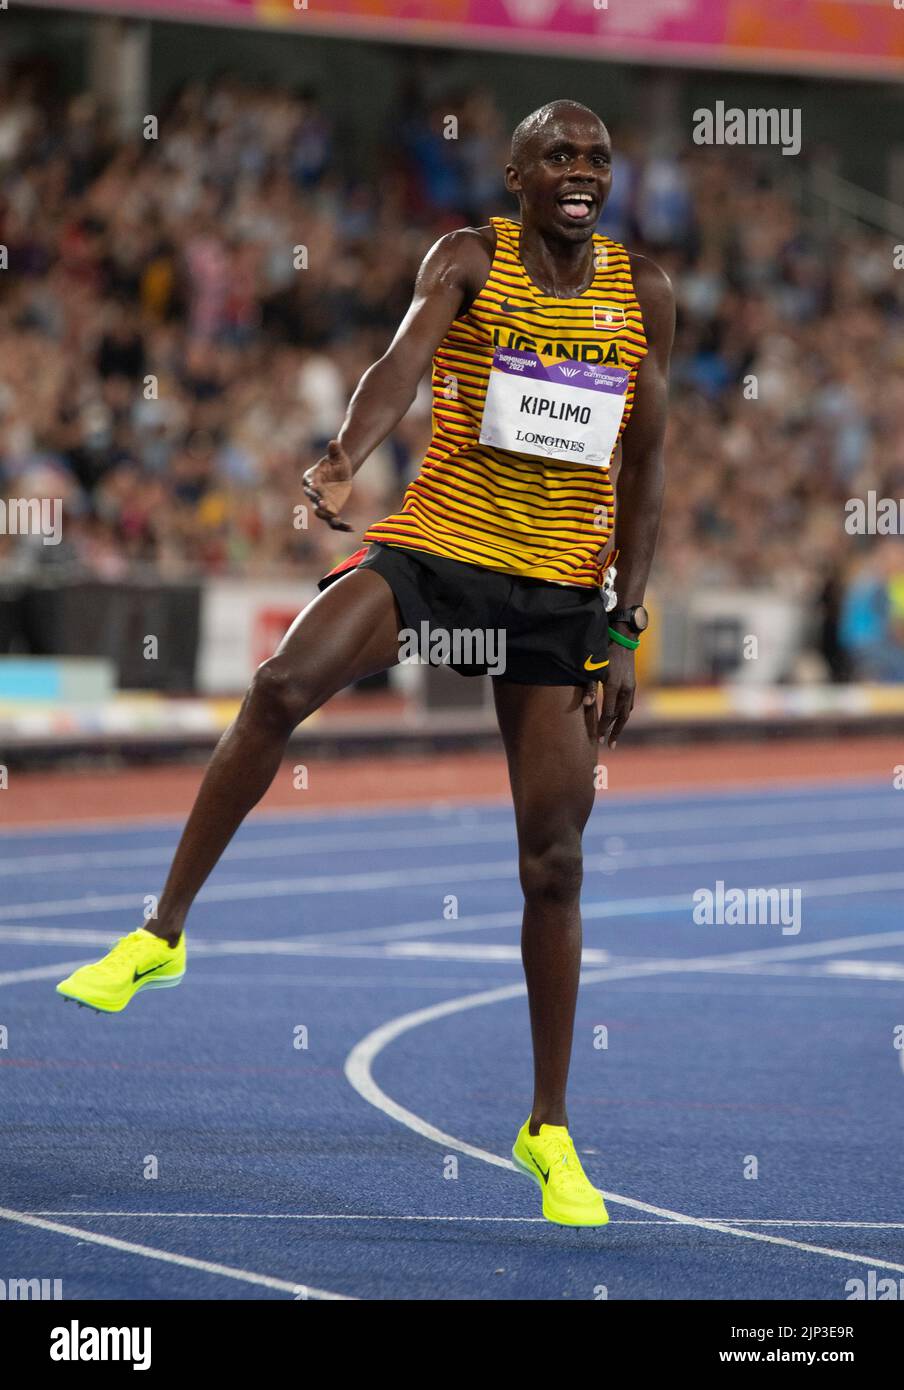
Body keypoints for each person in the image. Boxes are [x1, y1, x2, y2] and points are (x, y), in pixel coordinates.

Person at [58, 100, 675, 1228]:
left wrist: (624, 623)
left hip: (553, 594)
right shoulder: (467, 259)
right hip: (437, 548)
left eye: (596, 156)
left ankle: (546, 1128)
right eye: (559, 157)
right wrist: (344, 457)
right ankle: (159, 935)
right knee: (281, 684)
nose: (581, 172)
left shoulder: (648, 296)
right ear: (516, 172)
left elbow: (645, 463)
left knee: (554, 861)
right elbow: (397, 367)